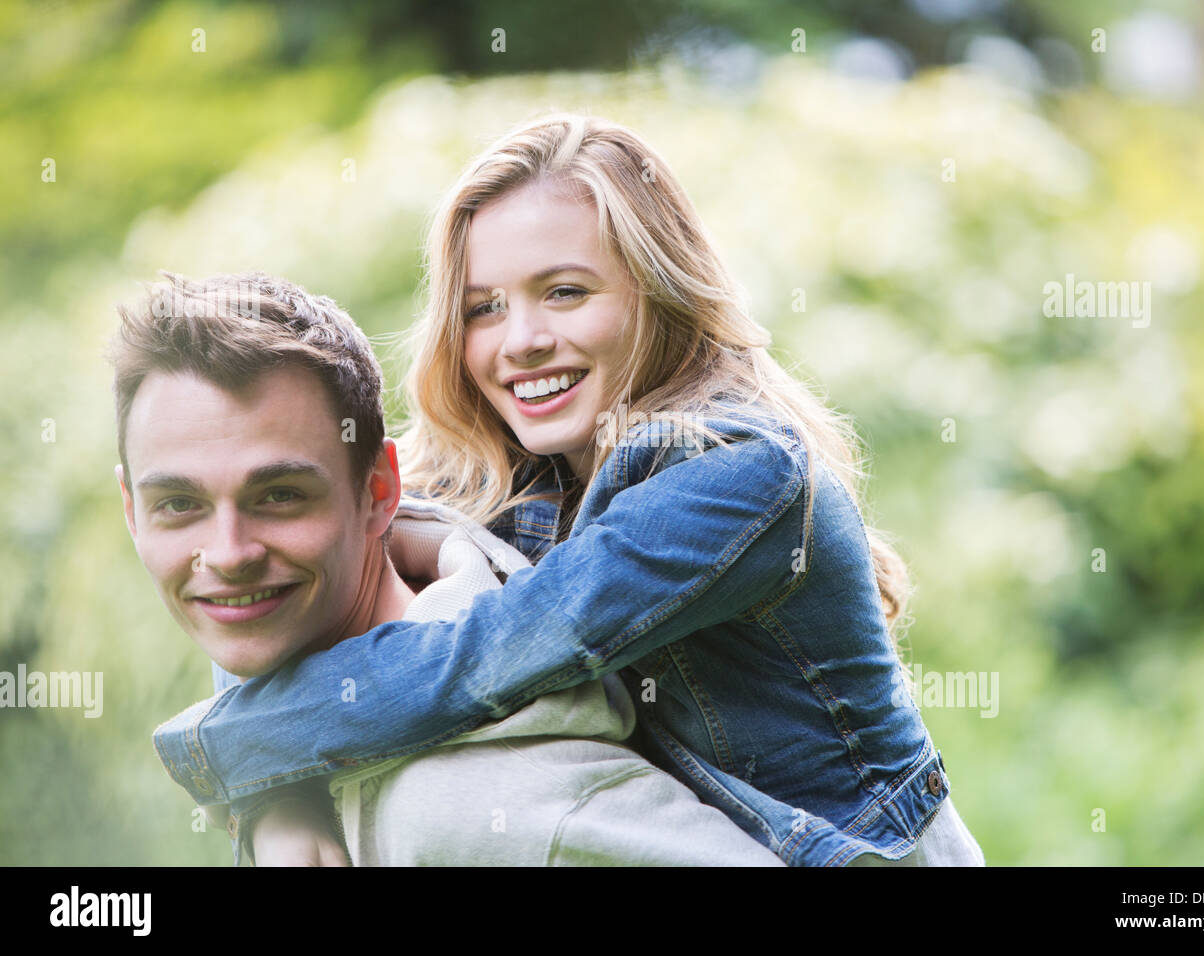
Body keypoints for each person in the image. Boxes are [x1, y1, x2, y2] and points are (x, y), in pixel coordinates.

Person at [153, 114, 986, 867]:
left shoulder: (742, 474)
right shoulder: (510, 461)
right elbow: (289, 580)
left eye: (564, 292)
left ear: (656, 291)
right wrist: (277, 804)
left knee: (435, 804)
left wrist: (230, 759)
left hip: (850, 858)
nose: (521, 342)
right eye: (483, 308)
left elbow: (478, 662)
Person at [111, 271, 784, 866]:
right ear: (131, 511)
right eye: (179, 504)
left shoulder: (478, 806)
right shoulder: (321, 655)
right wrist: (277, 792)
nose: (228, 555)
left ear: (378, 493)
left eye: (280, 496)